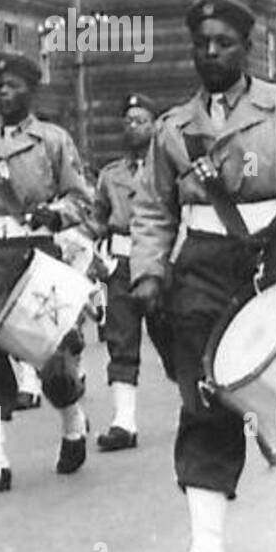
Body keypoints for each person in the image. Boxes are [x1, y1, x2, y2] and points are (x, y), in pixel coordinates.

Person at [130, 0, 276, 552]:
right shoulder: (173, 128)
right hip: (202, 274)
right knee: (203, 405)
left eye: (224, 42)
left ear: (246, 47)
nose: (212, 52)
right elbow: (152, 208)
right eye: (202, 43)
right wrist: (148, 274)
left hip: (274, 263)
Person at [0, 51, 93, 497]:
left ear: (32, 91)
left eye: (14, 86)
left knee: (50, 351)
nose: (4, 93)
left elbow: (81, 199)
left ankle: (73, 423)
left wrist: (55, 214)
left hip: (37, 252)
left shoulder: (53, 141)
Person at [93, 93, 175, 451]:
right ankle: (123, 422)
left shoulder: (170, 167)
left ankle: (195, 403)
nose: (133, 125)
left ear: (155, 126)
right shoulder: (111, 175)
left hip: (160, 261)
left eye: (141, 119)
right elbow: (97, 218)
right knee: (120, 339)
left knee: (172, 337)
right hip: (122, 262)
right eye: (128, 120)